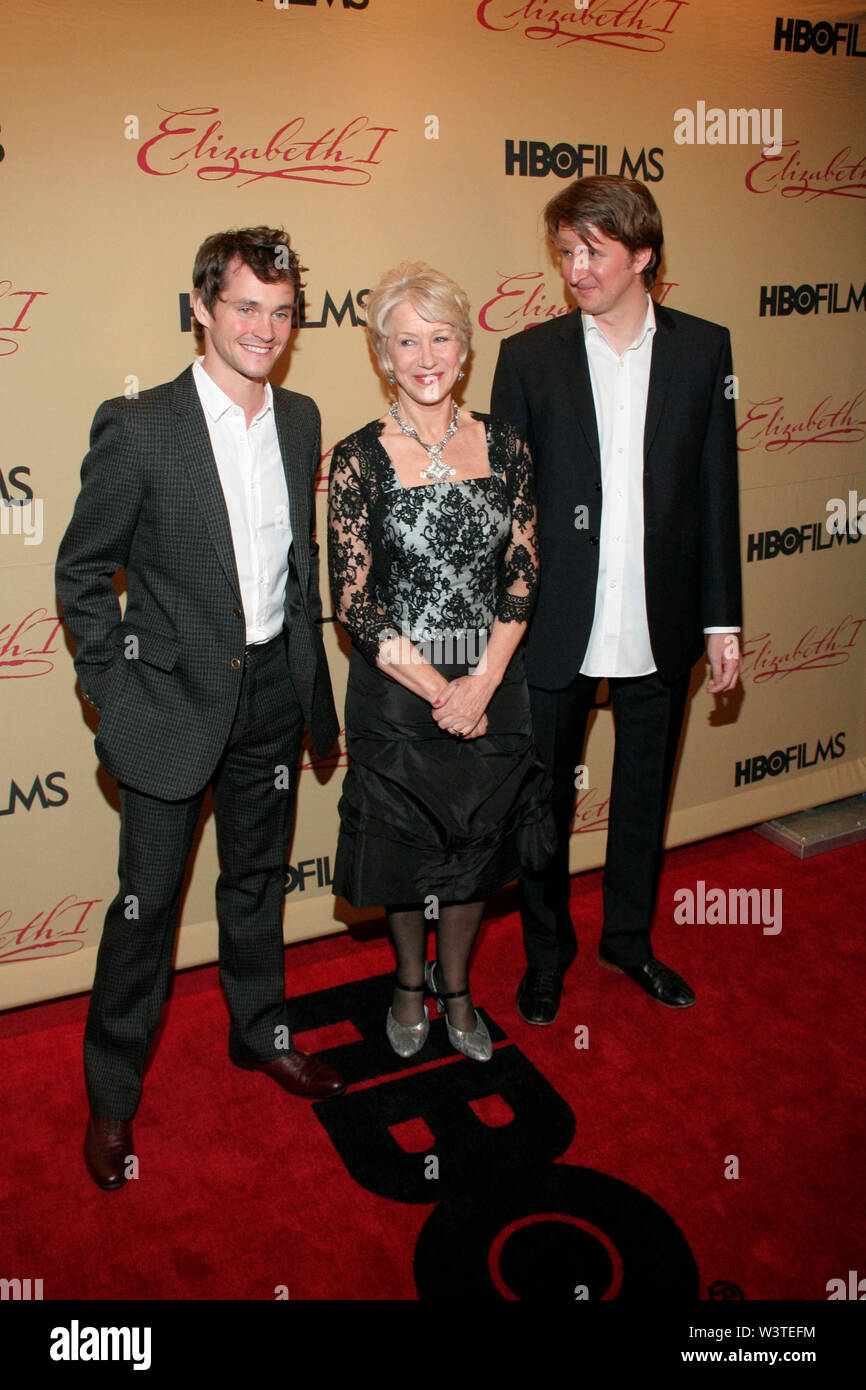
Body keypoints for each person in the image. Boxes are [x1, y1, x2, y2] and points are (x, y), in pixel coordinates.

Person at [56, 226, 345, 1192]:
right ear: (201, 310)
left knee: (256, 882)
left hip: (269, 692)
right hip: (170, 704)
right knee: (145, 912)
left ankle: (259, 1031)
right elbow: (83, 573)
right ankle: (110, 1100)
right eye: (244, 307)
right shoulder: (138, 426)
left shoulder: (300, 418)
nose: (265, 328)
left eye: (281, 309)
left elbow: (294, 565)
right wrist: (116, 694)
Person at [491, 176, 741, 1025]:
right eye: (565, 251)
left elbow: (717, 491)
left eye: (592, 251)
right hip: (556, 625)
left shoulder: (705, 350)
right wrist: (502, 633)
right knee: (543, 806)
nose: (575, 268)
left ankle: (629, 941)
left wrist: (722, 618)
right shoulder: (528, 357)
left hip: (661, 620)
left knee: (643, 794)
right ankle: (545, 956)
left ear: (641, 256)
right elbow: (507, 515)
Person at [328, 264, 554, 1062]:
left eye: (441, 337)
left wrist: (484, 680)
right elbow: (356, 600)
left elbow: (523, 569)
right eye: (406, 340)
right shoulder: (357, 460)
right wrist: (439, 692)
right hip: (399, 693)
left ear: (464, 349)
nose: (426, 355)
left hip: (494, 681)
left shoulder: (509, 445)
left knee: (473, 851)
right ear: (383, 356)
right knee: (405, 847)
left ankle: (456, 991)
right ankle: (406, 985)